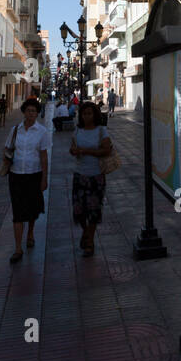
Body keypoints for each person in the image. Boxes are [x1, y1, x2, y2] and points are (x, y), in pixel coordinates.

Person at [7, 97, 49, 263]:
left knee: (32, 208)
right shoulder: (15, 130)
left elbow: (44, 157)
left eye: (34, 111)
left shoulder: (42, 132)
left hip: (34, 174)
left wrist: (44, 178)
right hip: (16, 175)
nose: (31, 114)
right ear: (24, 112)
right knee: (17, 211)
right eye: (29, 111)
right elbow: (7, 147)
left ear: (37, 113)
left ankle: (30, 232)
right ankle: (18, 248)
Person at [69, 101, 112, 257]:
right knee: (79, 210)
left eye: (90, 113)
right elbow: (72, 148)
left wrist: (86, 151)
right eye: (84, 114)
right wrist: (74, 151)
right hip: (80, 174)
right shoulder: (77, 131)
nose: (87, 116)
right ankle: (86, 233)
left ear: (95, 115)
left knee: (93, 210)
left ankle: (90, 241)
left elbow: (106, 150)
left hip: (96, 175)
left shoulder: (102, 131)